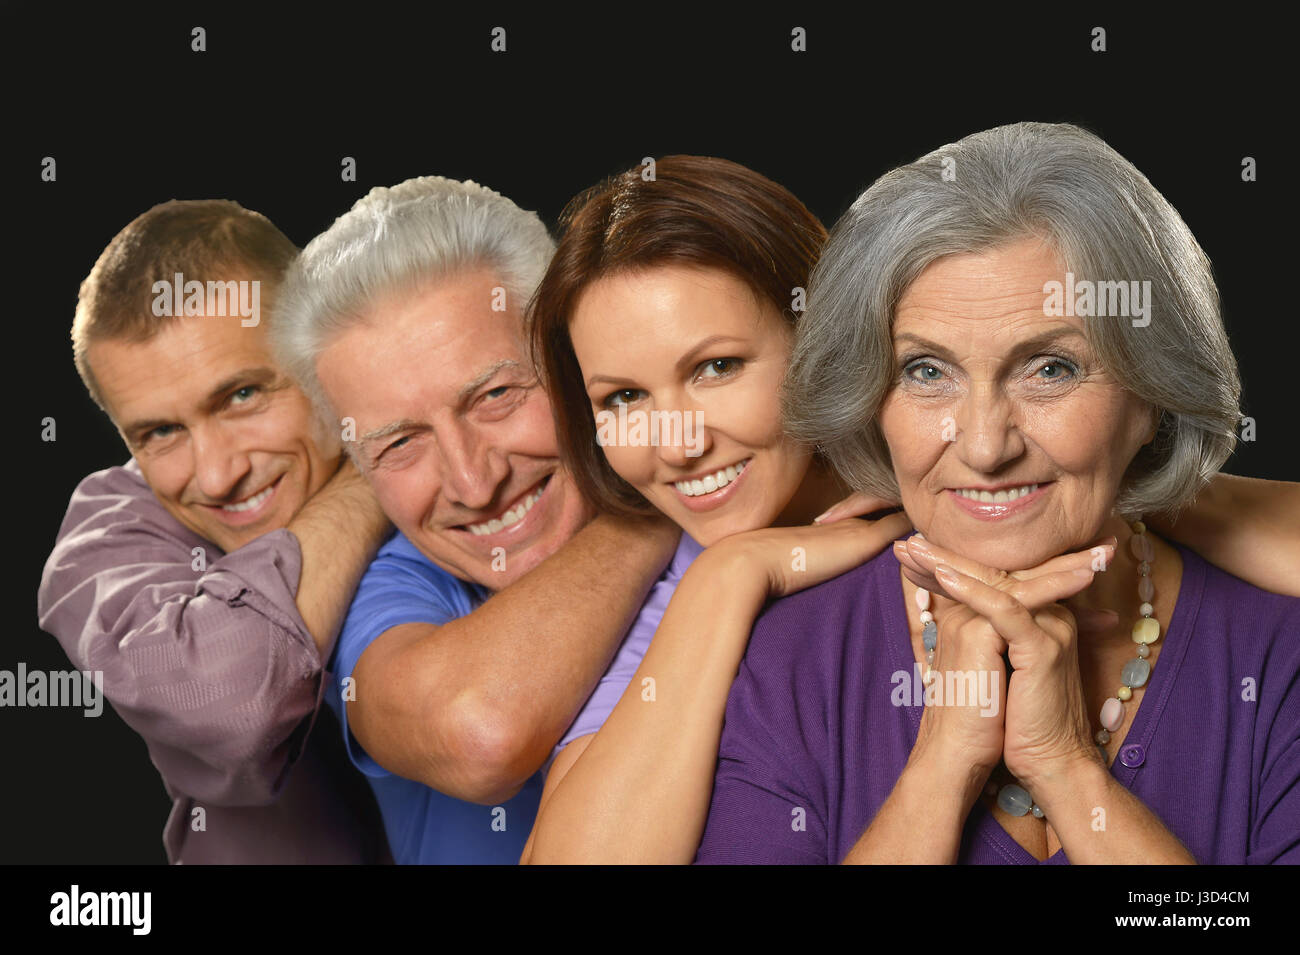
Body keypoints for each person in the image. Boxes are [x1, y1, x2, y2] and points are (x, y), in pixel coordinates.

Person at [521, 152, 1300, 863]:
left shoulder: (1273, 651)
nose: (986, 445)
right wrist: (943, 760)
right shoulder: (779, 654)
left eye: (1051, 368)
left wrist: (1066, 768)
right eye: (927, 371)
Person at [269, 176, 690, 863]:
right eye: (400, 443)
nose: (474, 480)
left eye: (496, 394)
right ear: (357, 466)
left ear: (573, 353)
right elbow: (481, 732)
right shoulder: (378, 587)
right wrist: (650, 505)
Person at [38, 200, 391, 863]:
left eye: (241, 395)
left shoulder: (460, 447)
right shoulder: (107, 540)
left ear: (321, 346)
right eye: (160, 432)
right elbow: (228, 700)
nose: (219, 474)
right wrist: (379, 474)